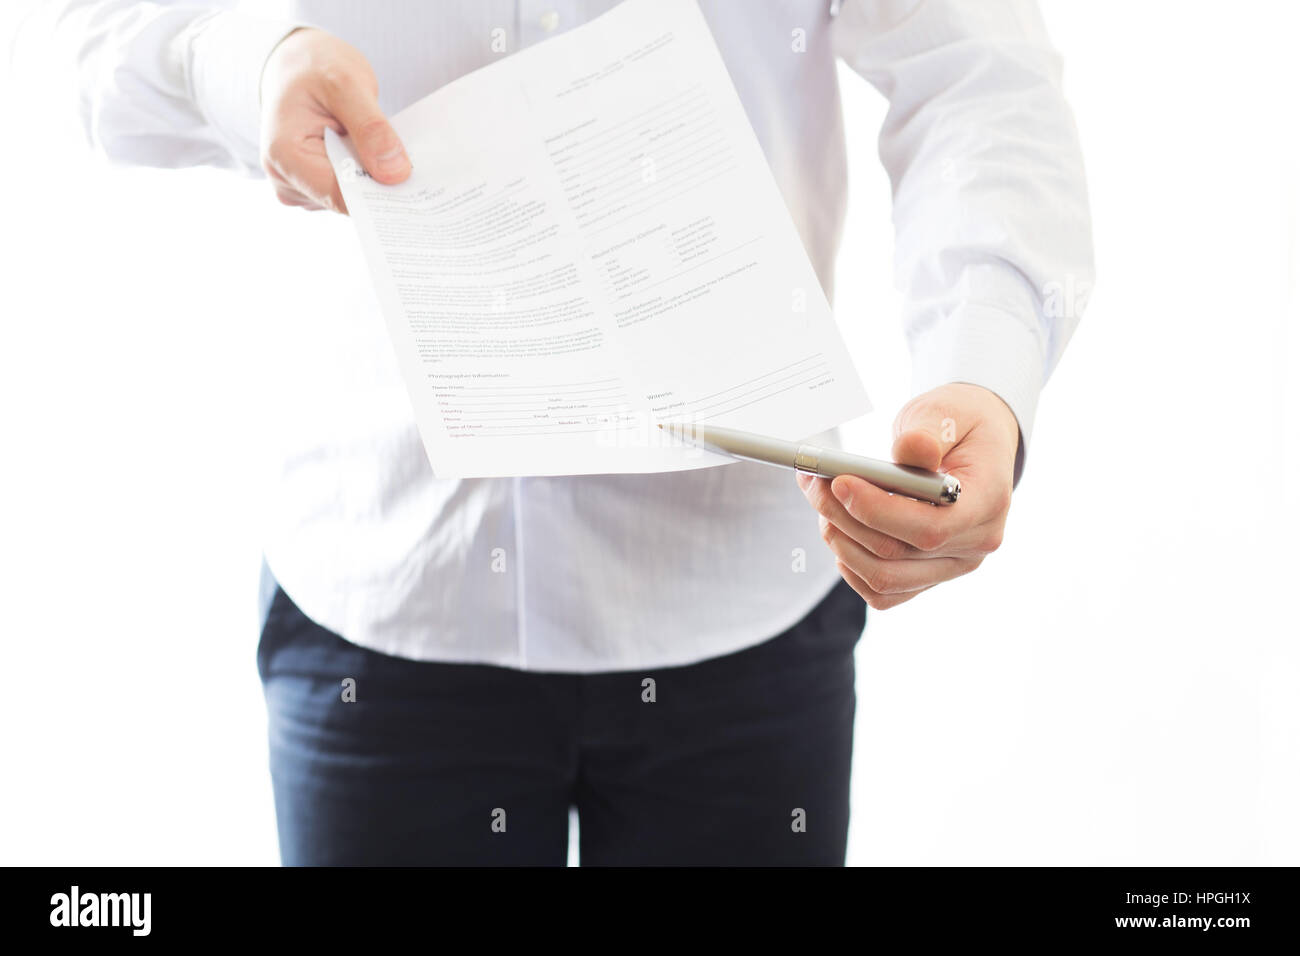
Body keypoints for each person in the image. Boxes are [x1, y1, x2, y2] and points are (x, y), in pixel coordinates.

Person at [36, 0, 1093, 865]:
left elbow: (975, 70)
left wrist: (983, 374)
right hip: (382, 583)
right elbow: (90, 32)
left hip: (743, 599)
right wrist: (244, 61)